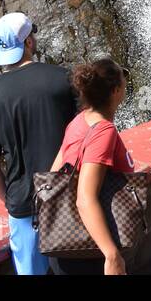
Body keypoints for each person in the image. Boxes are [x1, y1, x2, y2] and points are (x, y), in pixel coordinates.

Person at [0, 12, 76, 275]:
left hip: (24, 207)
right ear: (28, 42)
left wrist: (12, 201)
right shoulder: (63, 79)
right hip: (69, 199)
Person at [48, 57, 136, 275]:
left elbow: (54, 174)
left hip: (66, 243)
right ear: (116, 90)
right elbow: (85, 198)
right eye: (123, 75)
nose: (126, 81)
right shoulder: (103, 131)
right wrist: (112, 255)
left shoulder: (79, 120)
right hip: (88, 251)